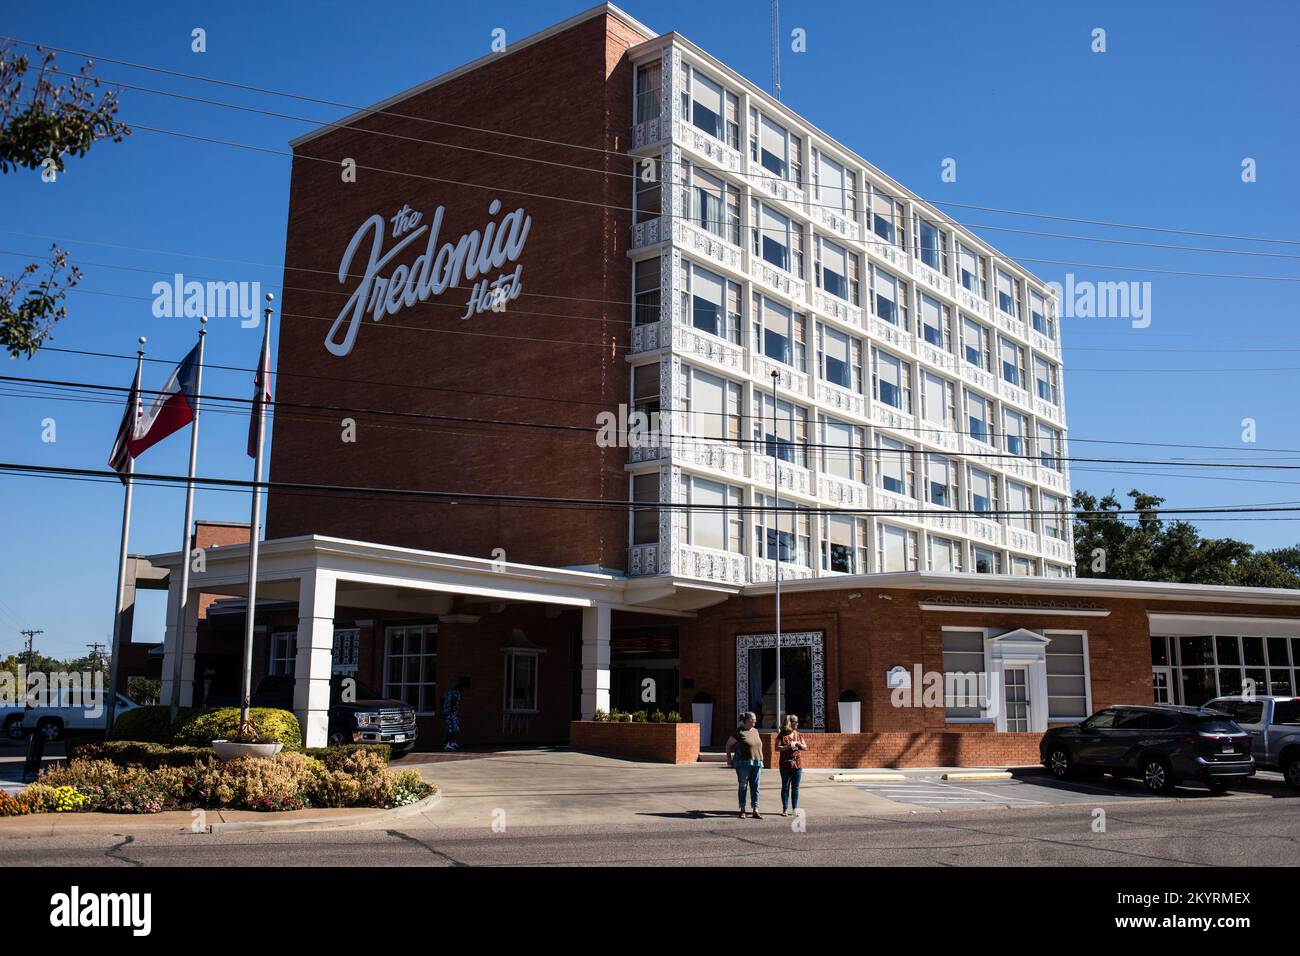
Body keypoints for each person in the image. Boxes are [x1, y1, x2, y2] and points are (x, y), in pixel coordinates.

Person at [725, 711, 764, 819]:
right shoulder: (739, 732)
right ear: (747, 720)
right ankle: (742, 810)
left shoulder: (756, 731)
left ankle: (755, 810)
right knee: (743, 786)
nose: (755, 720)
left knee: (755, 787)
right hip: (742, 763)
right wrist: (728, 760)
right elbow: (728, 745)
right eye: (754, 719)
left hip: (757, 762)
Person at [777, 714, 807, 817]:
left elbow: (805, 747)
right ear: (791, 723)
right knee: (785, 787)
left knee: (796, 788)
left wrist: (799, 744)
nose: (797, 724)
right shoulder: (782, 735)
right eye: (796, 722)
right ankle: (785, 809)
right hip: (785, 765)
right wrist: (788, 746)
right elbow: (777, 748)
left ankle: (795, 809)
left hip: (797, 764)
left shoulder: (798, 735)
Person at [440, 677, 468, 751]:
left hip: (448, 712)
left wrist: (443, 707)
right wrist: (451, 709)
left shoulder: (449, 692)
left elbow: (441, 698)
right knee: (450, 729)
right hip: (451, 713)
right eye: (462, 689)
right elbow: (453, 701)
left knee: (454, 728)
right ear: (459, 689)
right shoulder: (456, 693)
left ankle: (452, 742)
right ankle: (447, 744)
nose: (462, 691)